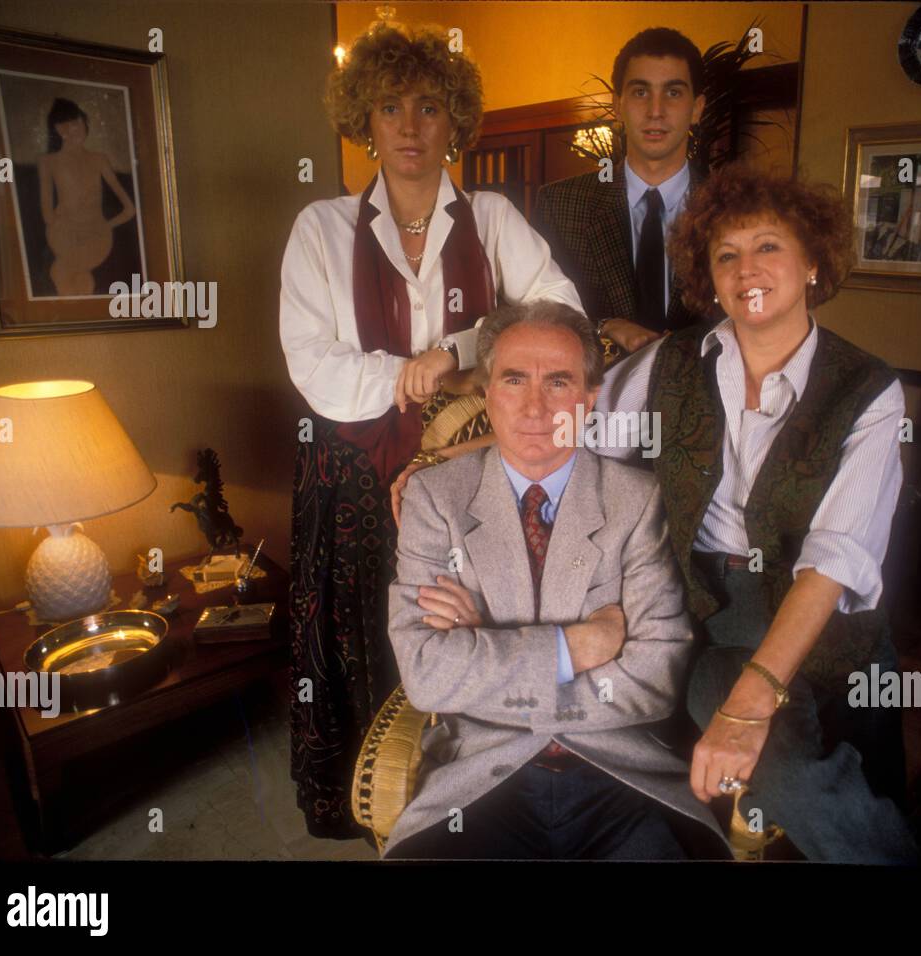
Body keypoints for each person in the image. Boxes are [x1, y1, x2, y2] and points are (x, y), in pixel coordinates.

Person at [278, 21, 581, 839]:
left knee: (467, 620)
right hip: (350, 472)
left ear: (457, 121)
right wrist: (406, 375)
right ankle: (377, 807)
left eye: (428, 107)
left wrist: (456, 351)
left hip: (474, 463)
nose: (409, 128)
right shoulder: (321, 228)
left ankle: (475, 799)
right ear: (363, 121)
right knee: (363, 636)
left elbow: (562, 317)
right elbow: (317, 368)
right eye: (388, 108)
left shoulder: (492, 217)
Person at [588, 163, 920, 863]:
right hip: (703, 598)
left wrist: (749, 704)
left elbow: (834, 562)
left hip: (818, 609)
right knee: (769, 754)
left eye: (768, 246)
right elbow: (571, 431)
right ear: (709, 278)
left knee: (768, 739)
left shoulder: (868, 390)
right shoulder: (671, 362)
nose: (748, 270)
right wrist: (449, 460)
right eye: (726, 255)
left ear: (812, 263)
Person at [382, 300, 730, 860]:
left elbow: (655, 679)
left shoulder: (638, 500)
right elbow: (426, 674)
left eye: (559, 382)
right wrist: (579, 646)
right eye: (514, 379)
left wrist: (483, 651)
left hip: (619, 778)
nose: (535, 406)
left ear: (589, 399)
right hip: (481, 779)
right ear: (488, 392)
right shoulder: (434, 499)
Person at [532, 27, 708, 355]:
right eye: (641, 92)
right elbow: (536, 310)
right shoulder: (561, 204)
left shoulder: (731, 209)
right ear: (618, 104)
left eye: (673, 93)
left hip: (706, 396)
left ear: (697, 108)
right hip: (594, 396)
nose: (656, 110)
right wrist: (602, 326)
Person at [37, 97, 136, 295]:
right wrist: (66, 228)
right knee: (69, 275)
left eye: (79, 123)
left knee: (74, 275)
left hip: (97, 237)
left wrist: (104, 226)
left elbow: (130, 209)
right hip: (64, 234)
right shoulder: (48, 161)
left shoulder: (98, 159)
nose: (76, 130)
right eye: (68, 126)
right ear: (58, 130)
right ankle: (67, 287)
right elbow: (47, 213)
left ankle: (73, 287)